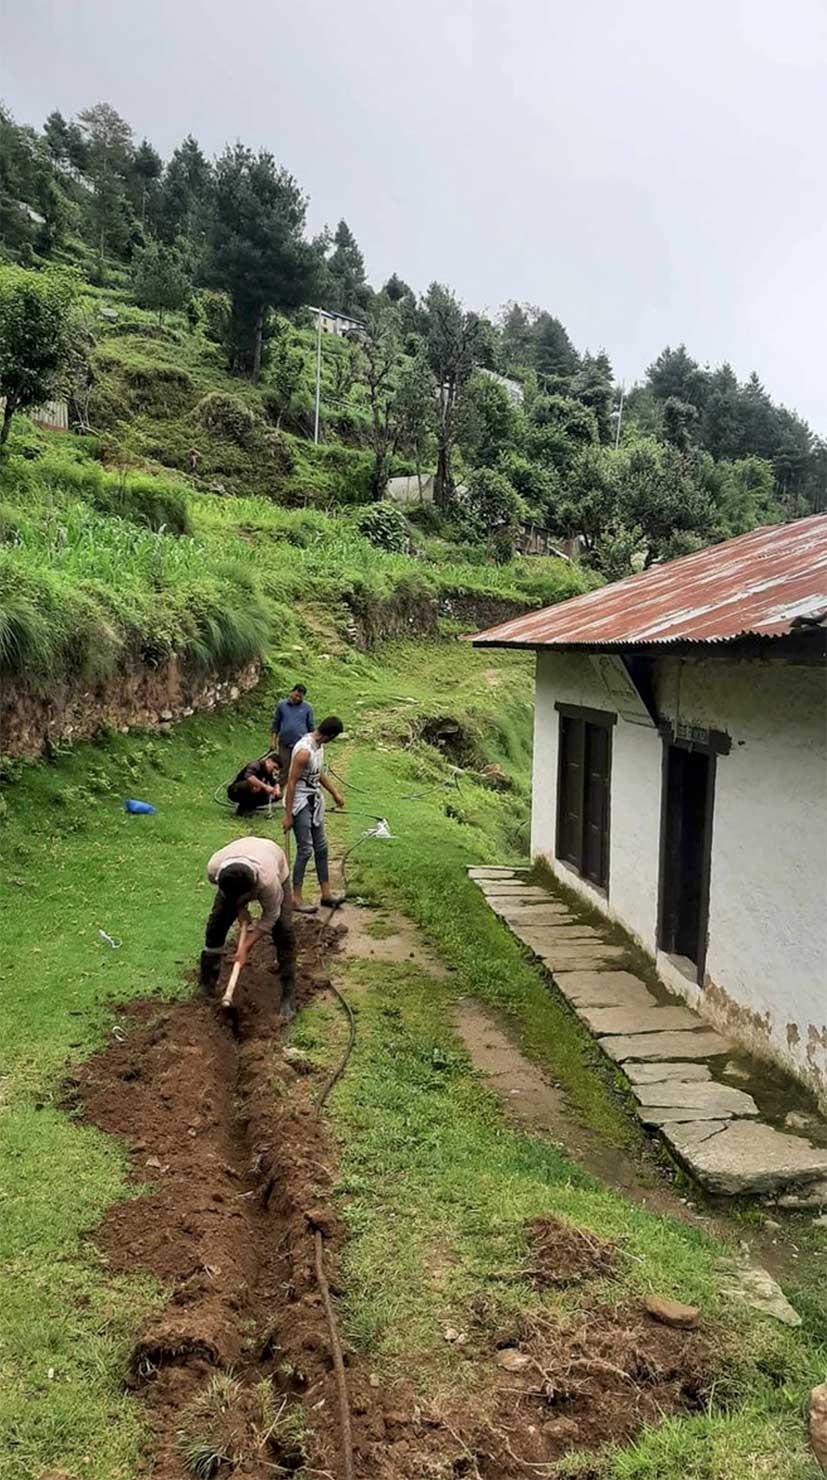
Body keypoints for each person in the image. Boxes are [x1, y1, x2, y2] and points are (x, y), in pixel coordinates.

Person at [199, 836, 297, 1021]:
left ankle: (288, 994)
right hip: (240, 854)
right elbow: (227, 895)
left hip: (271, 856)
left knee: (283, 930)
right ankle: (206, 986)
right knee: (216, 925)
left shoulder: (268, 882)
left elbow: (270, 916)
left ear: (253, 889)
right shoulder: (214, 869)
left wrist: (245, 947)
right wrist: (239, 909)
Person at [283, 716, 345, 913]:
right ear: (330, 736)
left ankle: (326, 894)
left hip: (314, 799)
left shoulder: (319, 747)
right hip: (300, 802)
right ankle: (296, 898)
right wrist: (288, 814)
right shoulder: (303, 751)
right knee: (305, 850)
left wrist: (335, 793)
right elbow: (291, 782)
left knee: (322, 847)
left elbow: (319, 774)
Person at [271, 684, 315, 785]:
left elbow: (311, 727)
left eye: (300, 697)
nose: (297, 698)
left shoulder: (307, 708)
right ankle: (279, 791)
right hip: (284, 743)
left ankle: (295, 790)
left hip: (301, 745)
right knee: (283, 767)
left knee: (299, 768)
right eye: (296, 695)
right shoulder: (282, 705)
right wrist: (273, 741)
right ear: (291, 692)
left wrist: (313, 744)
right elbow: (275, 724)